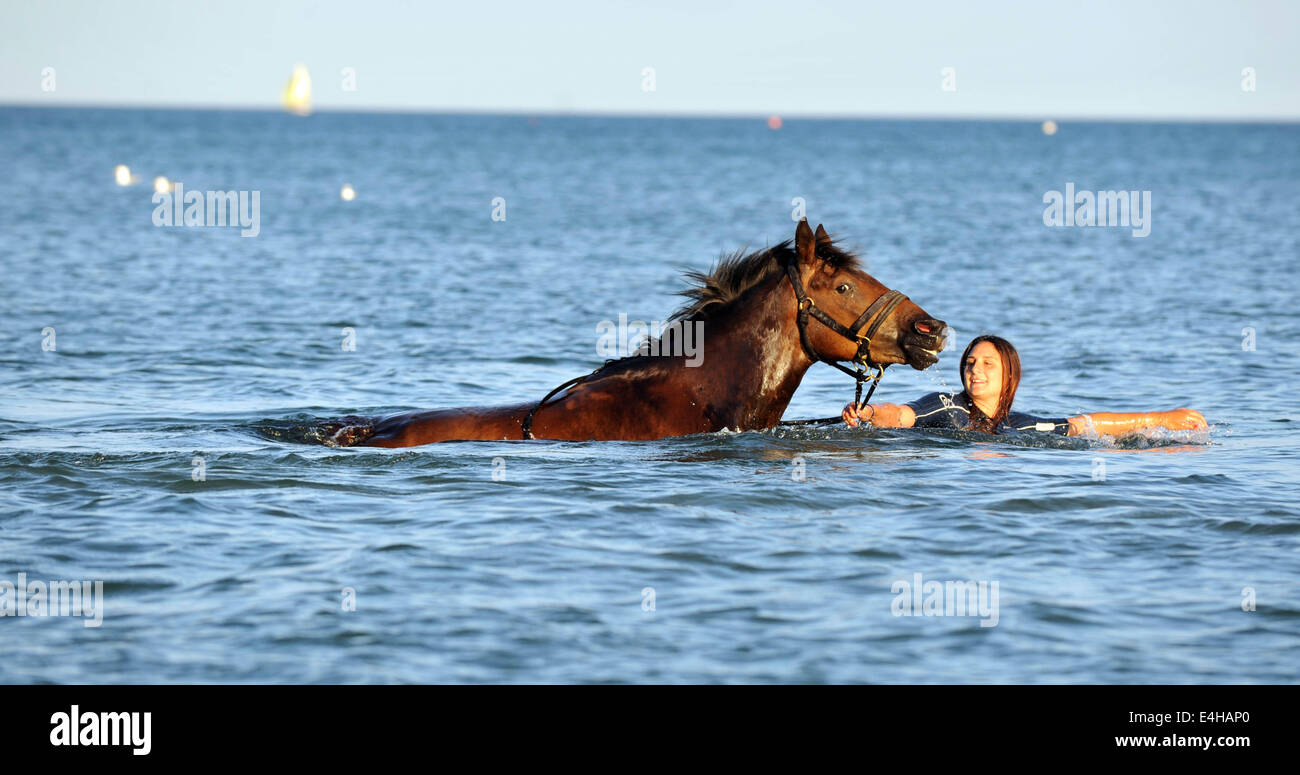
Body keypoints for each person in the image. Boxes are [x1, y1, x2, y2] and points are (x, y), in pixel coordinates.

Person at [841, 335, 1207, 436]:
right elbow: (902, 415)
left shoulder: (1022, 426)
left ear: (1008, 376)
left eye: (987, 364)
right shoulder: (945, 406)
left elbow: (1086, 424)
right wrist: (870, 413)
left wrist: (1161, 419)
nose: (975, 371)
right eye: (969, 363)